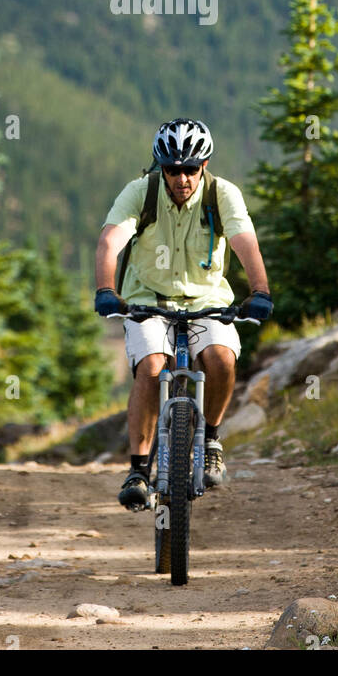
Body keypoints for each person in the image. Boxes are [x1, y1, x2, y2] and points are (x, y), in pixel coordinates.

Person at [94, 117, 273, 509]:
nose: (182, 178)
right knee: (152, 366)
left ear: (204, 166)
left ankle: (210, 440)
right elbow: (110, 242)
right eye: (173, 169)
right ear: (161, 167)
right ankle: (139, 468)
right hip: (147, 301)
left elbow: (246, 243)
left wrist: (259, 291)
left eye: (191, 169)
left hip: (208, 301)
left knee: (221, 359)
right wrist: (107, 289)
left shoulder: (222, 195)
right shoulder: (140, 193)